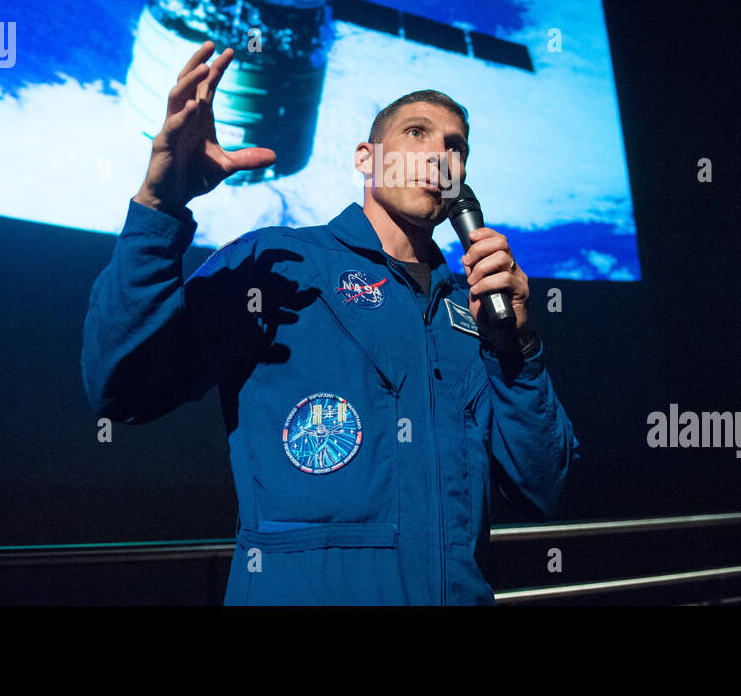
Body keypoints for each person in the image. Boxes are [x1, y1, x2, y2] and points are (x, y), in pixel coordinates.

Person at [81, 40, 580, 604]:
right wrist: (159, 205)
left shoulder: (474, 312)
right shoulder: (280, 263)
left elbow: (544, 488)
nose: (438, 155)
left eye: (454, 147)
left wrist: (518, 348)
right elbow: (122, 388)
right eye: (416, 133)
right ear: (365, 157)